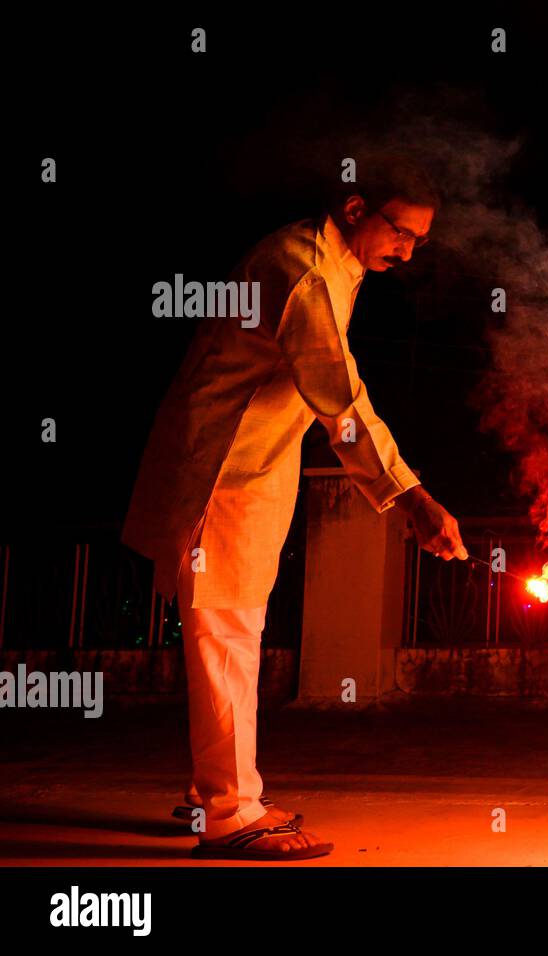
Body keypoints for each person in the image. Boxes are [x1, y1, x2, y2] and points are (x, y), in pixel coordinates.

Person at [124, 157, 467, 860]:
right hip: (221, 474)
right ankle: (228, 816)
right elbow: (339, 399)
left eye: (419, 241)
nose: (406, 250)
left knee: (234, 639)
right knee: (225, 641)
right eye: (401, 232)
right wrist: (410, 494)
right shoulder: (304, 272)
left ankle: (221, 793)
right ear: (353, 208)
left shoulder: (329, 265)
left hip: (249, 473)